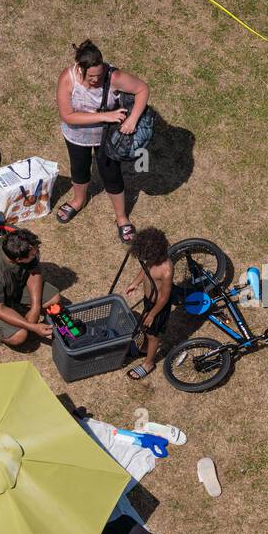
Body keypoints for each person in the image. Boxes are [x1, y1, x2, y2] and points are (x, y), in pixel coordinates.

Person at [53, 39, 151, 243]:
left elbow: (142, 89)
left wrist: (132, 119)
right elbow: (68, 115)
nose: (96, 80)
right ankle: (79, 200)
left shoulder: (113, 76)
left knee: (111, 175)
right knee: (79, 169)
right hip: (76, 136)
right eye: (91, 77)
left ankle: (122, 217)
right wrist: (105, 116)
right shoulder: (67, 78)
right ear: (80, 68)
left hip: (107, 139)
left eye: (99, 75)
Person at [0, 228, 61, 346]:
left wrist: (35, 308)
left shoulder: (22, 245)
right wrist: (33, 327)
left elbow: (34, 271)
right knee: (19, 336)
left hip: (16, 283)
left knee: (54, 298)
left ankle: (17, 307)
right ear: (18, 260)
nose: (36, 254)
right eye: (33, 255)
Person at [124, 227, 174, 381]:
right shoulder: (152, 259)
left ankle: (149, 363)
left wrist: (153, 314)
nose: (146, 261)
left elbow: (164, 298)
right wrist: (136, 283)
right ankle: (146, 348)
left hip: (159, 307)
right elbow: (145, 269)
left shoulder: (166, 270)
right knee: (146, 328)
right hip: (149, 302)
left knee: (153, 335)